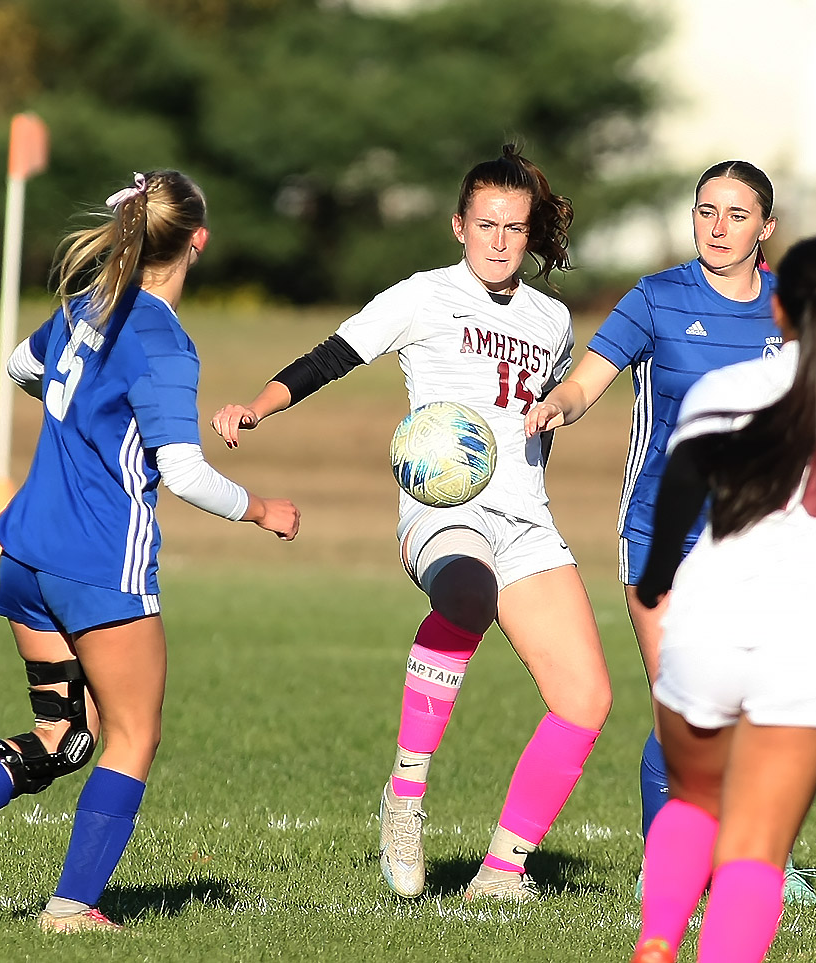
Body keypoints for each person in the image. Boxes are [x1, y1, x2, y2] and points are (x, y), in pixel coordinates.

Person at [0, 170, 300, 932]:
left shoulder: (84, 306)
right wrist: (264, 509)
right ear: (197, 241)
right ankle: (71, 908)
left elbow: (19, 367)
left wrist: (77, 416)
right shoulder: (165, 341)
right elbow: (185, 472)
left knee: (66, 736)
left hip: (27, 550)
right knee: (135, 731)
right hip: (99, 563)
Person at [525, 160, 816, 904]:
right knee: (682, 707)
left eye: (736, 214)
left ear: (766, 228)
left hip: (757, 543)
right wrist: (560, 403)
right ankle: (669, 868)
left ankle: (753, 857)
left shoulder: (790, 307)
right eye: (705, 210)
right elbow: (588, 381)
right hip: (660, 530)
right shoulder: (657, 297)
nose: (717, 227)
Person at [212, 145, 612, 902]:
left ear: (531, 236)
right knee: (467, 595)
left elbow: (545, 421)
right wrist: (255, 407)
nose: (499, 239)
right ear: (458, 225)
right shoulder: (423, 296)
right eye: (486, 223)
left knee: (586, 698)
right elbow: (333, 355)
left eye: (515, 227)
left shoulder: (553, 320)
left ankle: (499, 874)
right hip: (444, 510)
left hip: (525, 520)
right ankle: (406, 794)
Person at [626, 235, 816, 963]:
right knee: (758, 845)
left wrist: (659, 582)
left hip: (708, 624)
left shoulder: (724, 391)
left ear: (777, 305)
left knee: (695, 799)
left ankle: (659, 939)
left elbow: (673, 514)